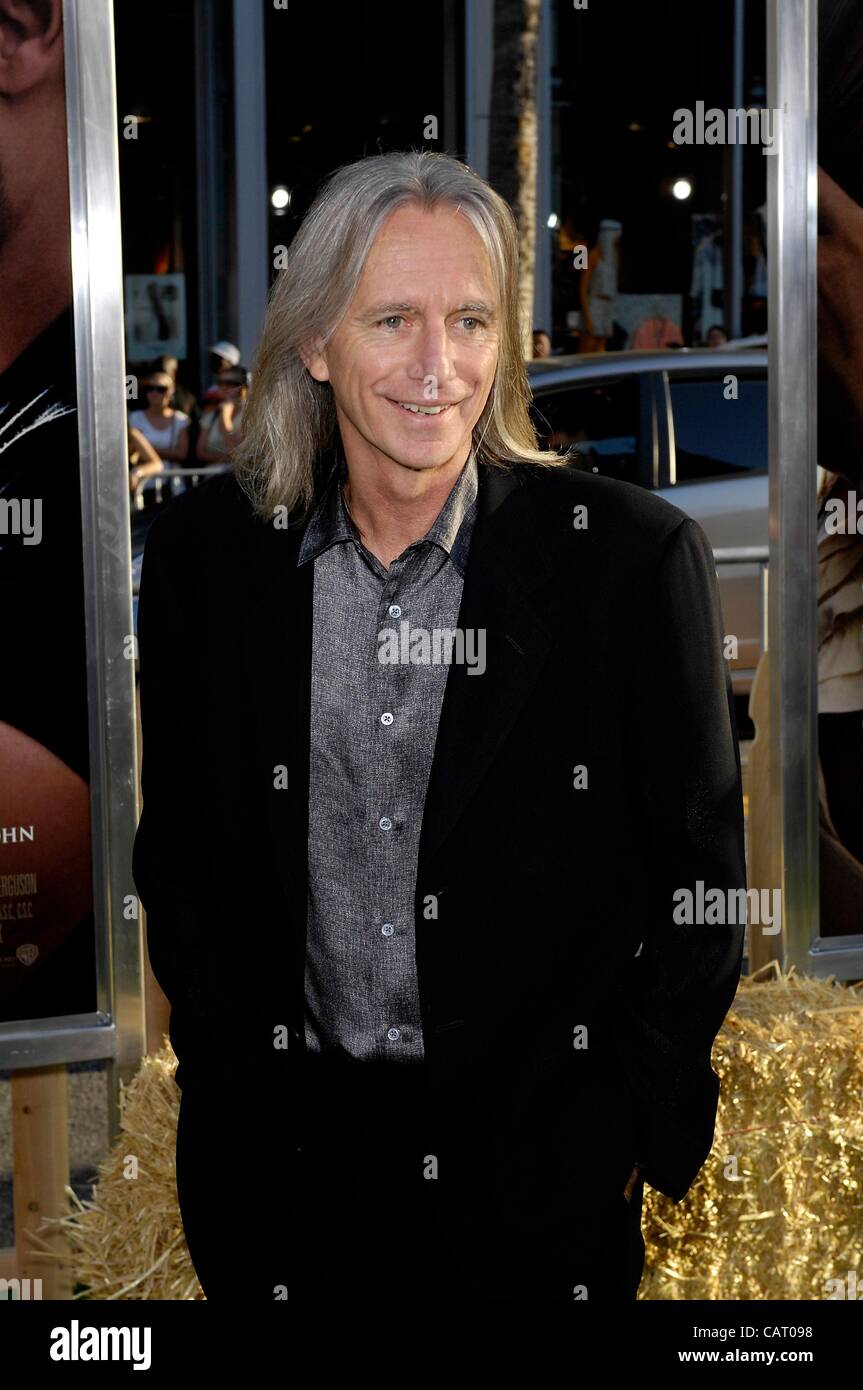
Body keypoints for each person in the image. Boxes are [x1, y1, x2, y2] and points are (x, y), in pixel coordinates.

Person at [132, 149, 746, 1306]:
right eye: (393, 321)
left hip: (539, 1195)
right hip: (288, 1193)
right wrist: (231, 1094)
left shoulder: (624, 563)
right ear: (314, 345)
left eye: (469, 320)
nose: (436, 368)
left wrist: (621, 1133)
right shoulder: (210, 563)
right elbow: (182, 867)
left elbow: (698, 889)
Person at [128, 371, 191, 497]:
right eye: (150, 388)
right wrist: (167, 452)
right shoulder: (134, 417)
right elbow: (132, 450)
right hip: (144, 485)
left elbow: (182, 453)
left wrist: (147, 451)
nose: (154, 393)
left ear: (171, 392)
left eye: (161, 389)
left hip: (173, 485)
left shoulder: (180, 420)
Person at [195, 365, 248, 464]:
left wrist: (225, 415)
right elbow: (200, 453)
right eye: (220, 383)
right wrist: (227, 458)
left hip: (239, 475)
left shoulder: (249, 413)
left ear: (242, 386)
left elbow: (237, 451)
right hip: (213, 474)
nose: (223, 387)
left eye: (230, 383)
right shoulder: (210, 414)